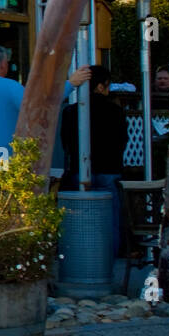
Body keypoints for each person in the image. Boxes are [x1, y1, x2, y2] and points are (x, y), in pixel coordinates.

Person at [0, 45, 90, 158]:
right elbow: (38, 106)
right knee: (3, 189)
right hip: (1, 158)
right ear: (3, 64)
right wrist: (70, 84)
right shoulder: (9, 87)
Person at [59, 65, 128, 259]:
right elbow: (122, 140)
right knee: (109, 220)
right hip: (109, 169)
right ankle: (107, 262)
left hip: (79, 170)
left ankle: (80, 258)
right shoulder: (116, 112)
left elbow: (66, 143)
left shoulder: (71, 112)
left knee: (78, 220)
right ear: (99, 86)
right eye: (107, 85)